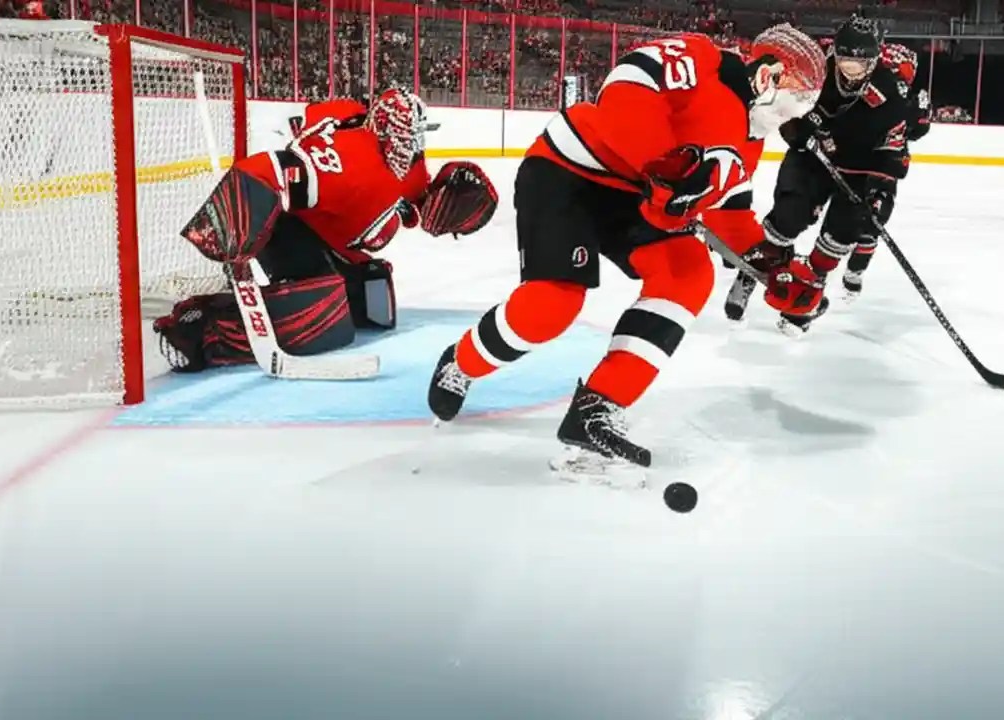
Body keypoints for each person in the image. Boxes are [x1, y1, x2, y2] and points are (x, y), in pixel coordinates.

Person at [426, 25, 828, 471]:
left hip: (637, 201)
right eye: (798, 100)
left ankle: (597, 406)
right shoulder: (705, 61)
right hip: (571, 168)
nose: (794, 117)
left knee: (689, 271)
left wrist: (777, 270)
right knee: (551, 304)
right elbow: (627, 82)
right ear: (769, 76)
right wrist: (661, 164)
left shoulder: (749, 144)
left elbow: (728, 214)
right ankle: (461, 363)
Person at [157, 88, 498, 372]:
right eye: (404, 135)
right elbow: (267, 170)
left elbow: (407, 204)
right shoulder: (357, 162)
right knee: (318, 320)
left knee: (371, 297)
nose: (410, 144)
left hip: (318, 229)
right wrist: (229, 224)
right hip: (285, 224)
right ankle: (200, 332)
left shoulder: (408, 173)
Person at [724, 15, 923, 334]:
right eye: (844, 60)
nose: (850, 70)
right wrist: (795, 131)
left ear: (873, 61)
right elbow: (783, 108)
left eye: (859, 65)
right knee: (787, 217)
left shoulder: (892, 93)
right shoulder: (814, 68)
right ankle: (750, 274)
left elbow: (893, 150)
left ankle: (805, 298)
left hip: (860, 169)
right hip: (813, 157)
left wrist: (878, 192)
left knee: (842, 233)